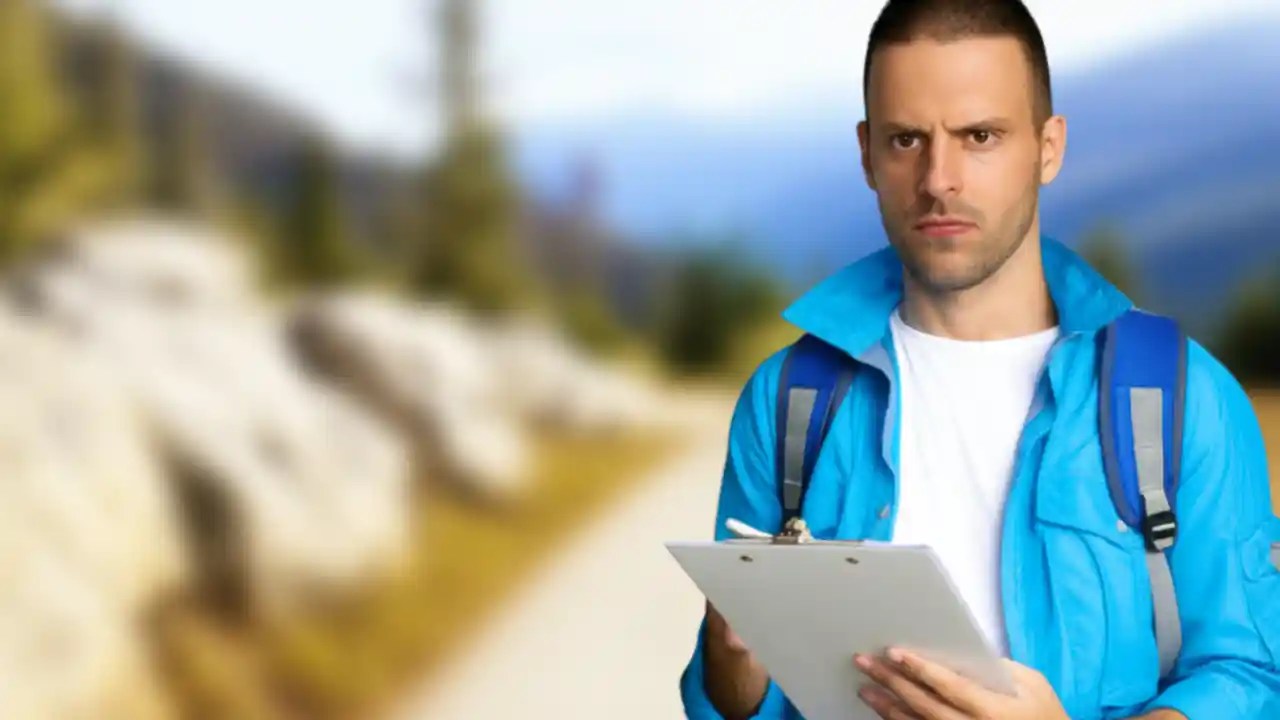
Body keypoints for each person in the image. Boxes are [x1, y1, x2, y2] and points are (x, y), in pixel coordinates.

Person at [678, 1, 1280, 719]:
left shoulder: (1181, 399)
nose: (939, 179)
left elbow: (1250, 677)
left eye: (980, 136)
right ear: (867, 152)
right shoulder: (789, 404)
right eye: (906, 140)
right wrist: (732, 657)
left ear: (1048, 147)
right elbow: (734, 703)